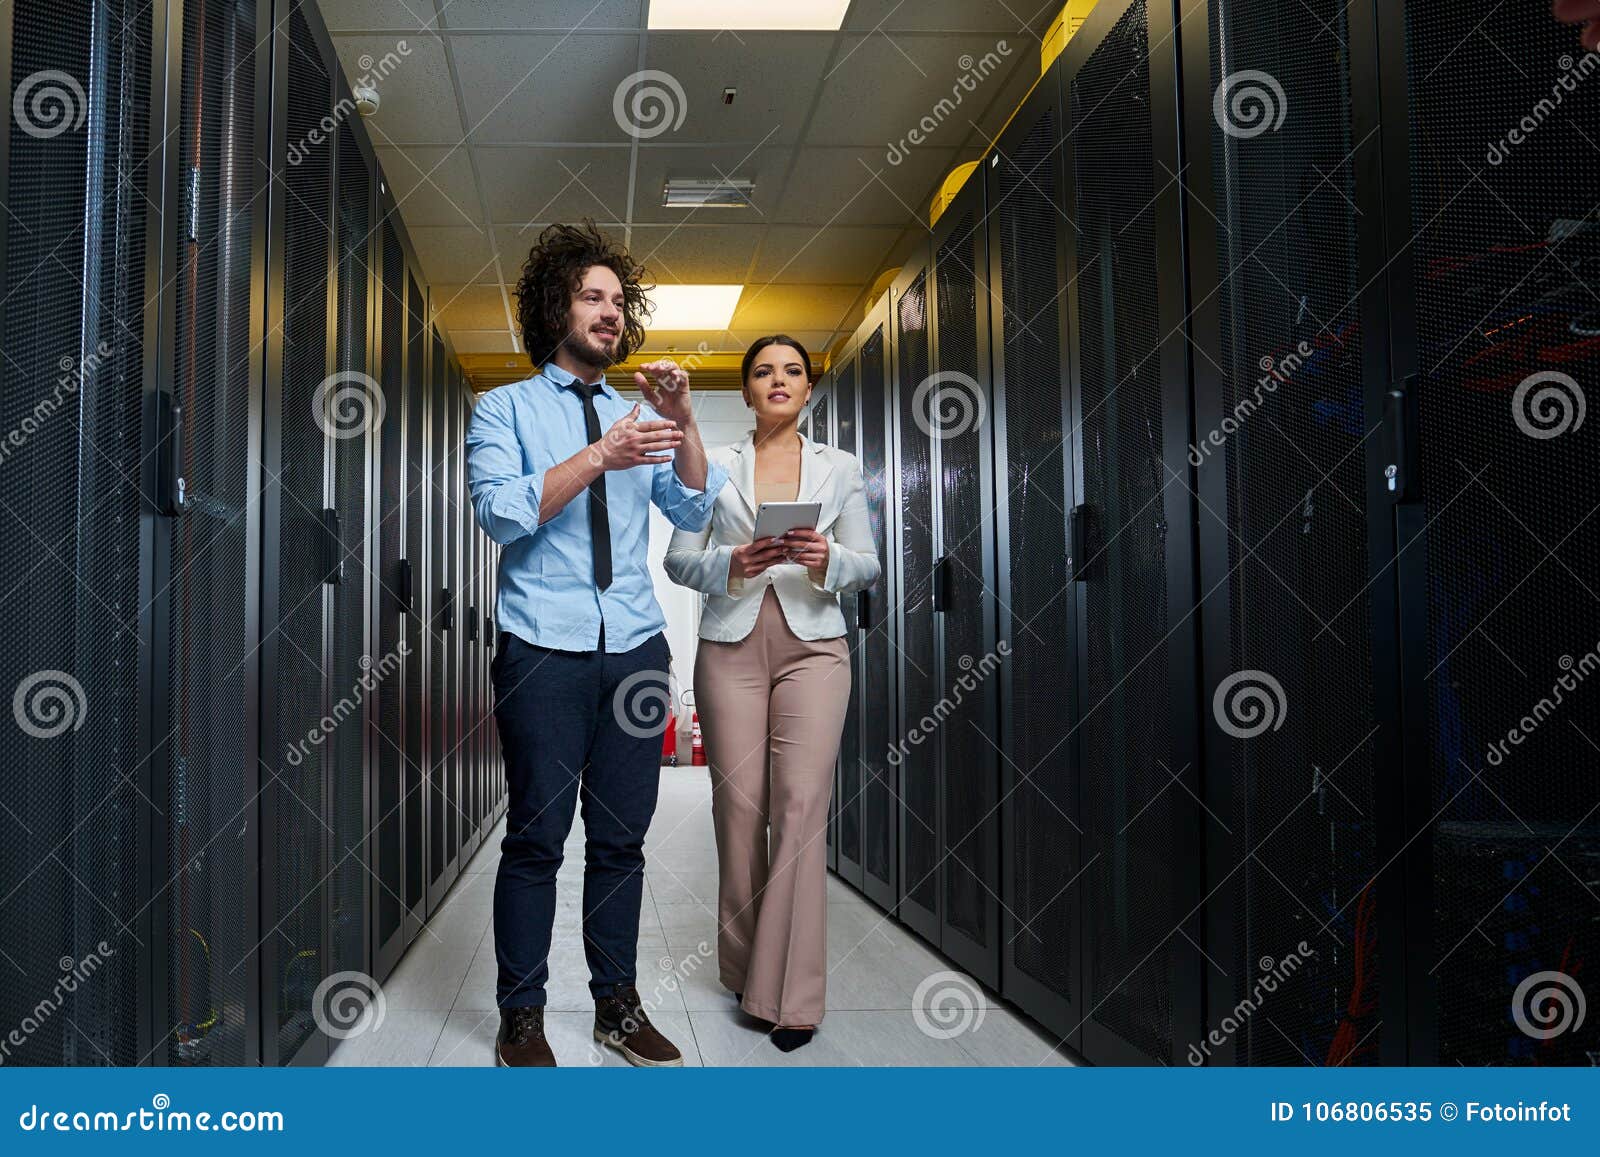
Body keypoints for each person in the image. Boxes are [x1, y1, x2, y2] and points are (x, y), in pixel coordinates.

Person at [466, 221, 727, 1067]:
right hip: (542, 646)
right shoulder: (502, 407)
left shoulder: (640, 413)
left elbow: (692, 510)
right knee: (537, 837)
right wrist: (597, 453)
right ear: (557, 308)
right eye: (592, 296)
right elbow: (503, 513)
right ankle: (523, 1015)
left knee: (621, 837)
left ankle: (616, 1006)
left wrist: (681, 418)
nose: (609, 313)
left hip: (636, 650)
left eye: (619, 301)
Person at [663, 335, 880, 1052]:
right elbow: (679, 559)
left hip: (815, 647)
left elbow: (868, 564)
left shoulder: (840, 467)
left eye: (793, 369)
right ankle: (743, 968)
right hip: (731, 647)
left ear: (809, 389)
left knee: (798, 809)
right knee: (740, 811)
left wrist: (829, 559)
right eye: (764, 372)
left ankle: (791, 997)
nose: (779, 380)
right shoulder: (713, 466)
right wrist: (735, 559)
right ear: (748, 391)